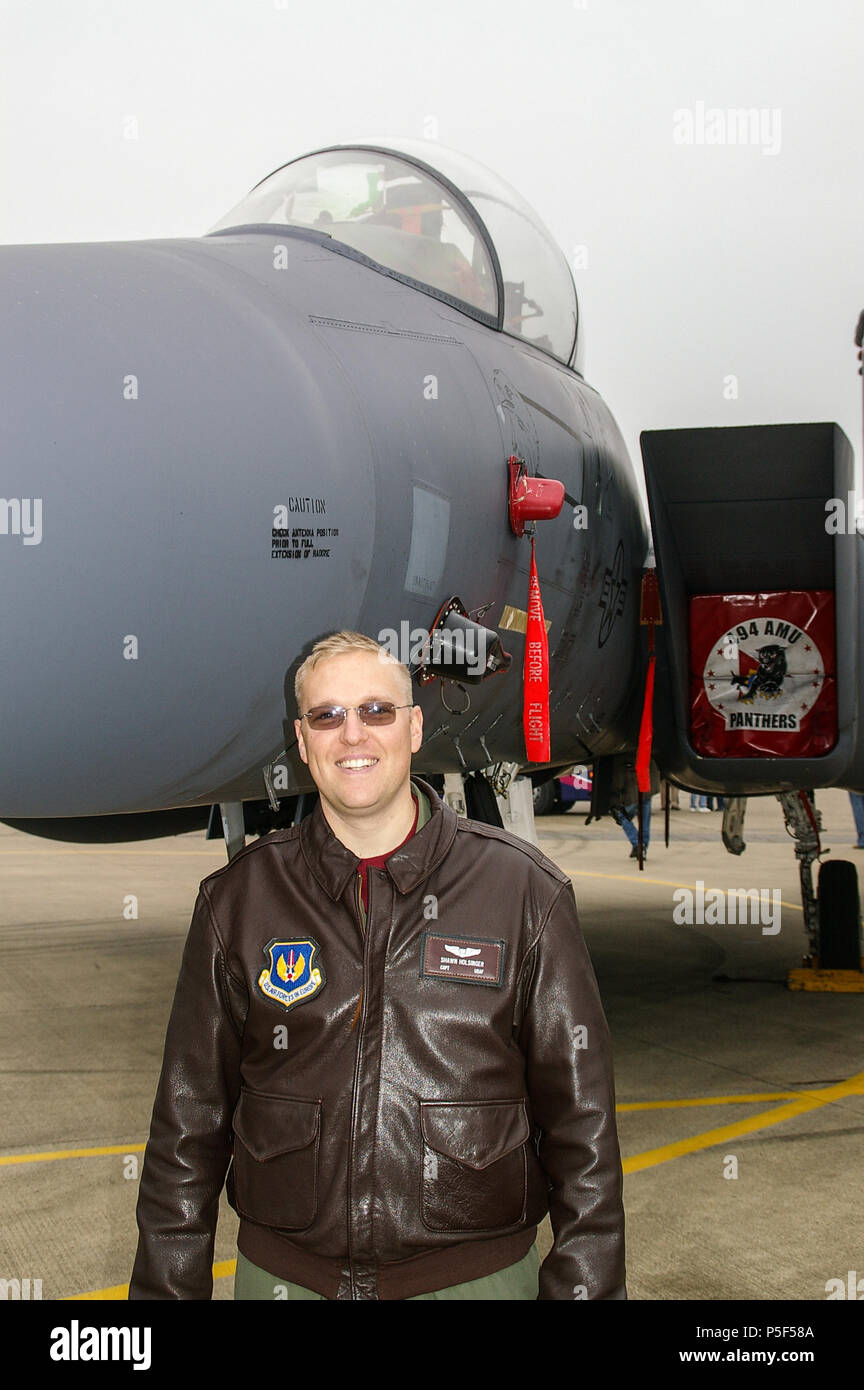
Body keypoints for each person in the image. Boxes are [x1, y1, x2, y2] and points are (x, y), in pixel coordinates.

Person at [129, 630, 626, 1301]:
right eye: (327, 716)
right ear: (301, 741)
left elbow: (583, 1128)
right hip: (286, 1280)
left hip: (475, 1280)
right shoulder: (239, 901)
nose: (352, 735)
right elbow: (186, 1131)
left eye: (377, 711)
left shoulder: (523, 893)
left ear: (415, 727)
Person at [609, 755, 658, 859]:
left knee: (622, 816)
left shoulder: (627, 752)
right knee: (644, 820)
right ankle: (642, 846)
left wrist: (617, 790)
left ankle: (638, 844)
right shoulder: (649, 749)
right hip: (648, 788)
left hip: (634, 791)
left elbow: (622, 773)